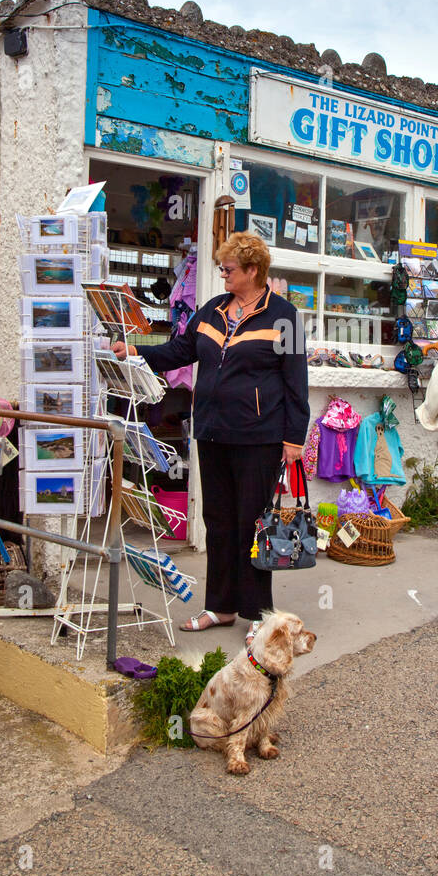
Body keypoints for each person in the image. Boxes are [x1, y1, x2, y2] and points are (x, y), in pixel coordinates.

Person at [112, 232, 309, 632]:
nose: (223, 275)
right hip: (213, 433)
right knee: (217, 521)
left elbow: (296, 381)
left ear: (253, 271)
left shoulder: (285, 318)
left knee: (253, 525)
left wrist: (294, 439)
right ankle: (220, 607)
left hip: (259, 437)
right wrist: (138, 350)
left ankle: (257, 614)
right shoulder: (214, 309)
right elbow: (180, 351)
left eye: (229, 269)